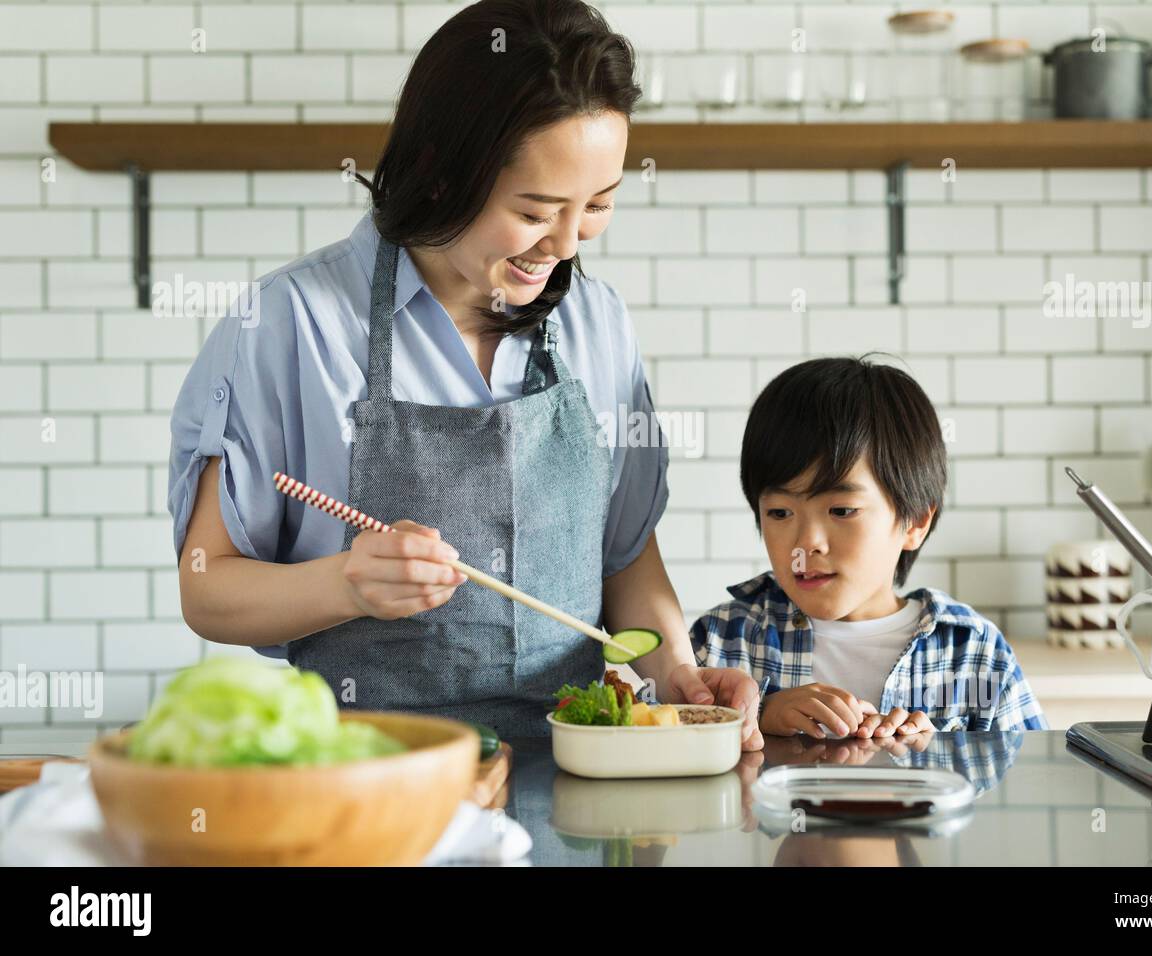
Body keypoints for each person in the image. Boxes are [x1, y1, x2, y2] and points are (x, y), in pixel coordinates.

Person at [168, 0, 760, 744]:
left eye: (599, 206)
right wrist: (345, 582)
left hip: (577, 779)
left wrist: (677, 672)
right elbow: (205, 583)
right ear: (443, 174)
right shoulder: (292, 323)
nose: (567, 246)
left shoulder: (597, 322)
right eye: (537, 211)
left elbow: (625, 554)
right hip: (377, 786)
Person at [691, 356, 1047, 736]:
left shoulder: (973, 653)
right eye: (779, 513)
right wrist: (756, 716)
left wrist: (937, 764)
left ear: (915, 522)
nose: (807, 542)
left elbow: (1029, 784)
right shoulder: (721, 641)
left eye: (842, 510)